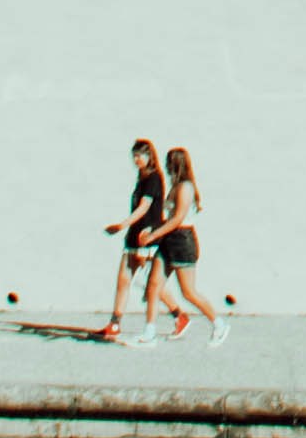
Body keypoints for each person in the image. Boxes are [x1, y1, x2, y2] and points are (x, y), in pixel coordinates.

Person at [152, 141, 228, 341]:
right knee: (152, 283)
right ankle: (160, 327)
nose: (166, 166)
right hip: (168, 239)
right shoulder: (175, 187)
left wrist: (154, 234)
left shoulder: (185, 187)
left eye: (169, 163)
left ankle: (219, 324)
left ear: (176, 164)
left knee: (188, 292)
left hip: (181, 241)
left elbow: (178, 218)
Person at [97, 137, 165, 341]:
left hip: (146, 237)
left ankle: (178, 315)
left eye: (140, 155)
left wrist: (121, 225)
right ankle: (114, 323)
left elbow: (144, 208)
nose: (136, 160)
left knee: (150, 283)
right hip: (133, 237)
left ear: (149, 156)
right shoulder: (141, 177)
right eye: (134, 156)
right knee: (124, 279)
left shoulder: (153, 178)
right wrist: (128, 230)